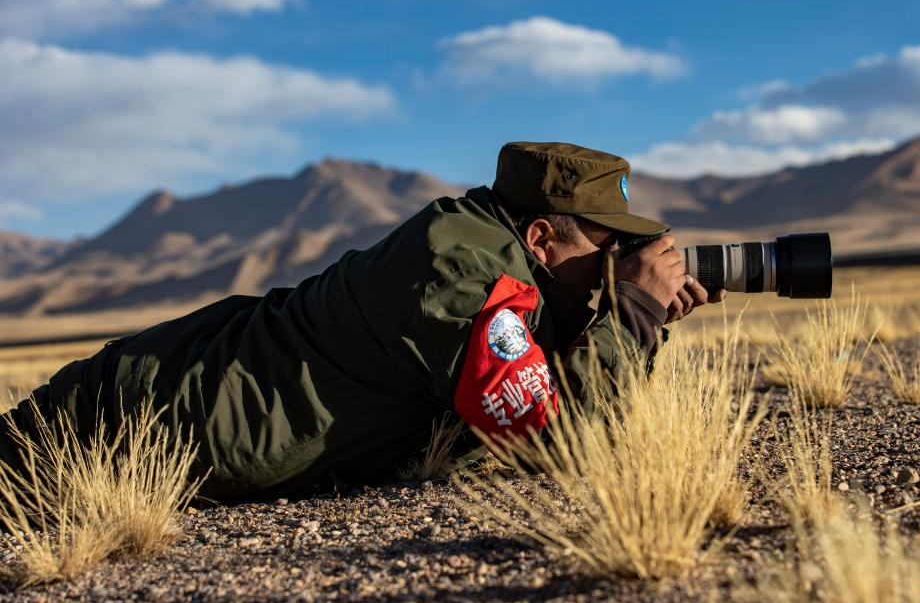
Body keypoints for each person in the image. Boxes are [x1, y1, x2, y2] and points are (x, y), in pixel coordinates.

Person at [0, 142, 722, 503]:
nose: (619, 258)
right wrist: (633, 309)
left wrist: (636, 318)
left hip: (163, 403)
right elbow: (553, 433)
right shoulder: (462, 275)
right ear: (538, 239)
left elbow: (529, 385)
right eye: (606, 243)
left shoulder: (495, 260)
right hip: (120, 426)